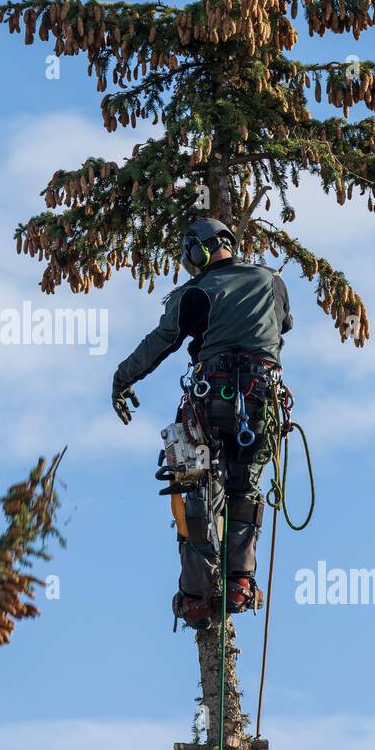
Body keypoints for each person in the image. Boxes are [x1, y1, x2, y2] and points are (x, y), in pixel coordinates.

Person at [111, 216, 293, 630]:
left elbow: (160, 343)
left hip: (211, 398)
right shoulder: (272, 281)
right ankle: (239, 582)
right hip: (261, 401)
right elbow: (282, 327)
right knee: (244, 489)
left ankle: (195, 597)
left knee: (197, 491)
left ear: (197, 250)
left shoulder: (196, 292)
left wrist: (121, 379)